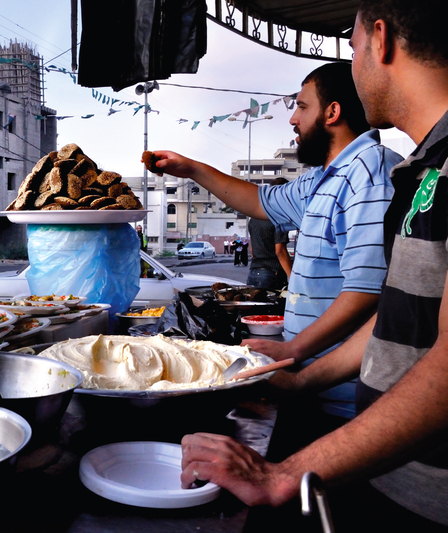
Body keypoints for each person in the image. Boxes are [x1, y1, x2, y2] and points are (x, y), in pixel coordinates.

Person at [179, 1, 448, 528]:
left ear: (380, 39)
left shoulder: (379, 171)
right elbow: (397, 318)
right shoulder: (423, 171)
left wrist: (282, 475)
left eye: (353, 47)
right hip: (382, 466)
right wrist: (300, 378)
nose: (354, 64)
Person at [154, 62, 402, 372]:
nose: (293, 119)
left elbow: (366, 292)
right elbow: (259, 200)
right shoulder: (321, 179)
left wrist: (293, 349)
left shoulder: (370, 173)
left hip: (342, 386)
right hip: (311, 377)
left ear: (332, 112)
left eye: (302, 106)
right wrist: (192, 169)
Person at [246, 178, 292, 290]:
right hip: (271, 274)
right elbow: (280, 251)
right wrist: (293, 277)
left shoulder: (254, 217)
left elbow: (252, 250)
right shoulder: (279, 218)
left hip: (253, 272)